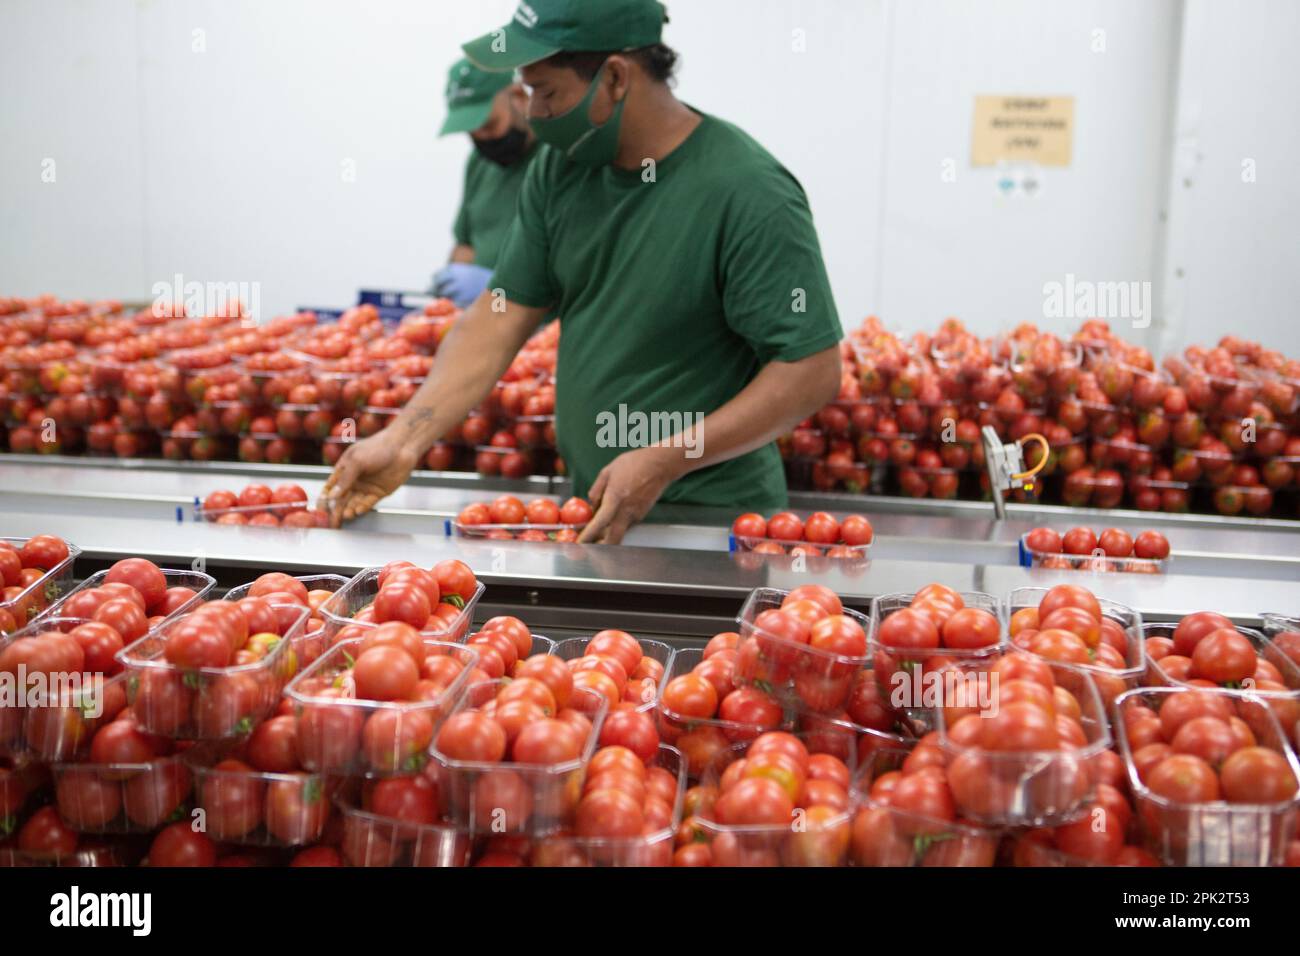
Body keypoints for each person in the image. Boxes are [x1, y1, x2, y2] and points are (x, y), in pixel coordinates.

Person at [324, 0, 842, 544]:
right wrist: (405, 437)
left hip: (713, 524)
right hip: (591, 509)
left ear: (616, 77)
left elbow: (810, 369)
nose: (534, 113)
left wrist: (668, 457)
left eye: (547, 93)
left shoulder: (747, 191)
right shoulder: (563, 168)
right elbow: (499, 318)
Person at [431, 58, 540, 307]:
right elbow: (466, 245)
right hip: (485, 319)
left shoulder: (555, 159)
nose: (482, 137)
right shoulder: (479, 163)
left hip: (541, 328)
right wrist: (451, 286)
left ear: (518, 96)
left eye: (489, 125)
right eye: (471, 130)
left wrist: (503, 287)